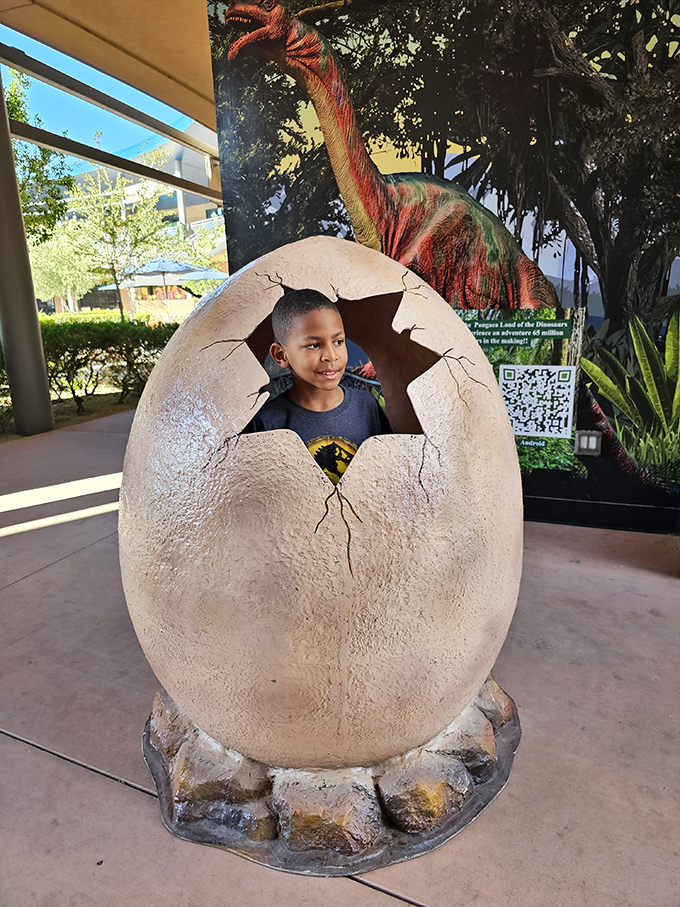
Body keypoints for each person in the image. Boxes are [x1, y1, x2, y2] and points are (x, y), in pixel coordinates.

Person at [244, 288, 391, 484]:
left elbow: (386, 474)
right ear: (281, 355)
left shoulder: (367, 406)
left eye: (338, 342)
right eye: (314, 345)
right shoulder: (267, 423)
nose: (331, 355)